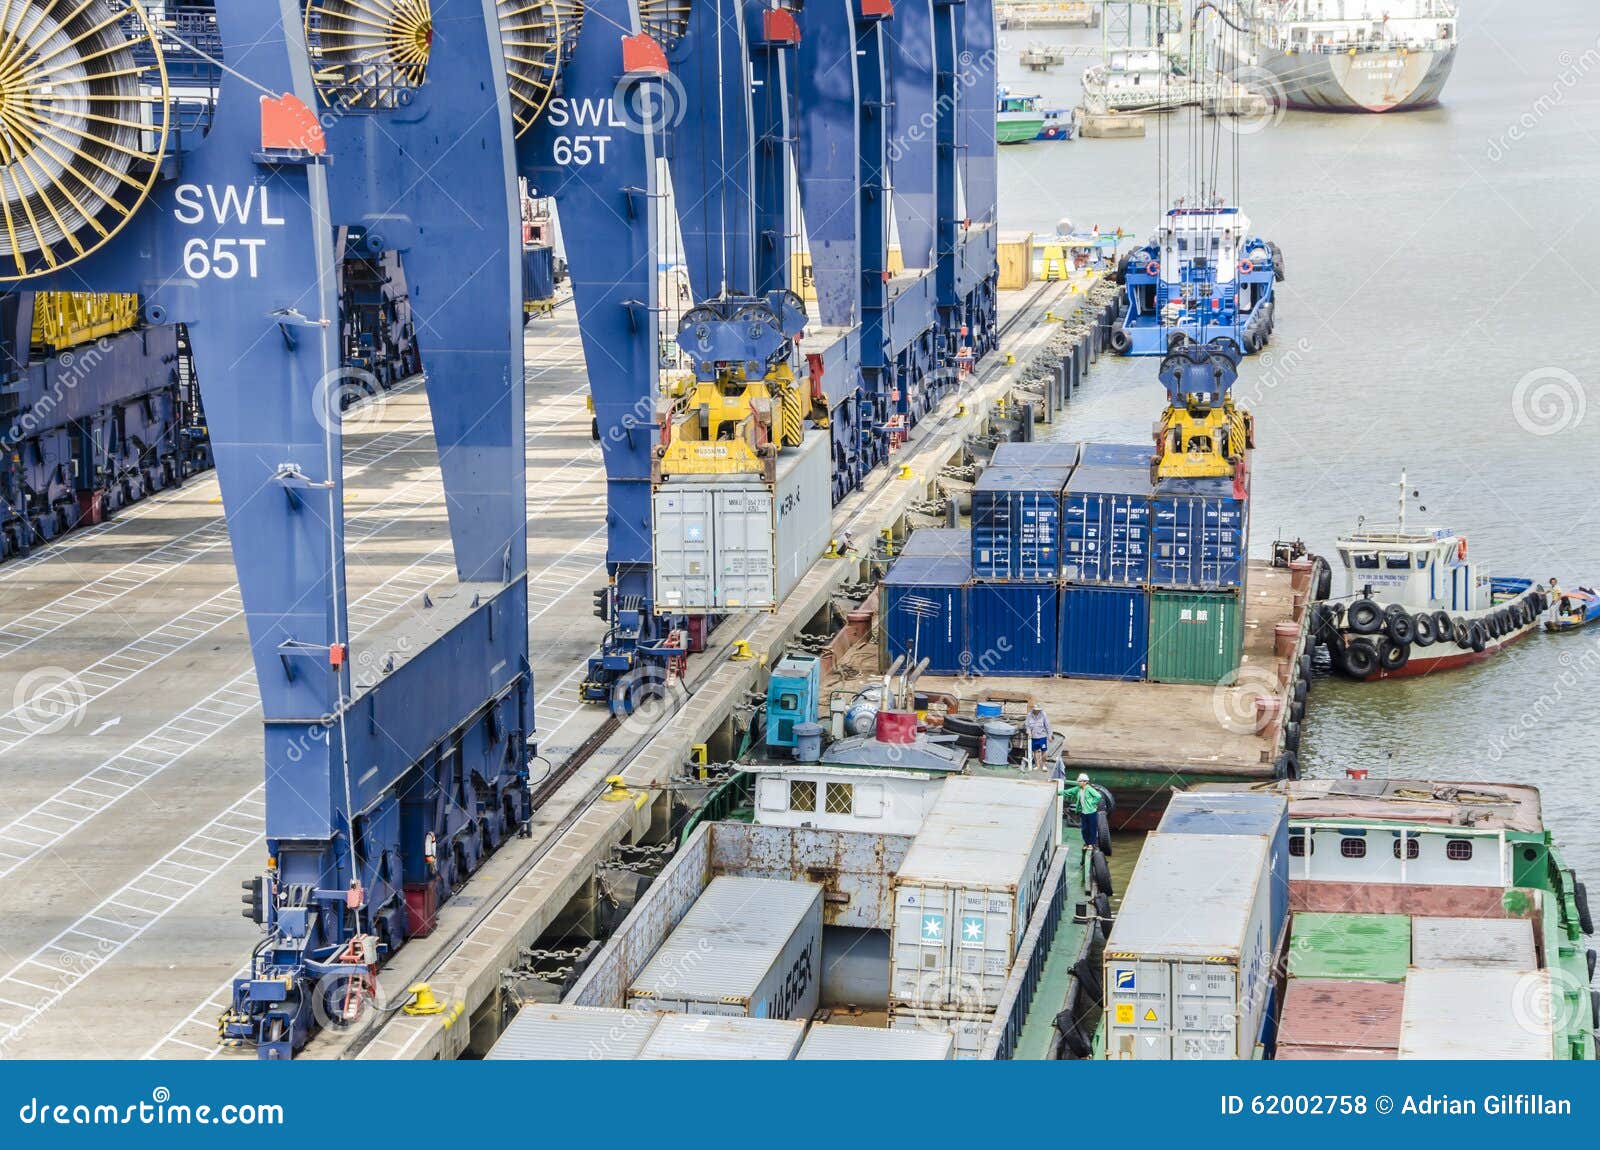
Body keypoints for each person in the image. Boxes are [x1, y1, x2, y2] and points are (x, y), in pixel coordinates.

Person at [1060, 772, 1102, 849]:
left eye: (1080, 781)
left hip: (1091, 812)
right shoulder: (1078, 789)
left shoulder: (1089, 789)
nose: (1078, 782)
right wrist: (1059, 792)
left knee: (1092, 828)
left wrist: (1092, 803)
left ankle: (1091, 844)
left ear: (1085, 782)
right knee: (1084, 829)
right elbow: (1069, 792)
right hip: (1083, 812)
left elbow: (1098, 796)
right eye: (1078, 781)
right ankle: (1087, 843)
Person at [1024, 704, 1051, 771]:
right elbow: (1027, 726)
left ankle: (1044, 765)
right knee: (1035, 751)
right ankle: (1037, 765)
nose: (1037, 711)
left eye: (1038, 710)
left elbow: (1047, 725)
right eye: (1036, 710)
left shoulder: (1043, 714)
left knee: (1043, 751)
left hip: (1042, 736)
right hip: (1034, 736)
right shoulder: (1029, 715)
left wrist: (1049, 735)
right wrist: (1029, 732)